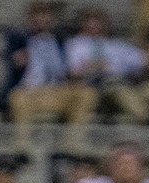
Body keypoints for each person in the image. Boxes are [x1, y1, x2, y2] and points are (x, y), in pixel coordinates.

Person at [65, 8, 149, 126]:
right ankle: (139, 120)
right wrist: (96, 66)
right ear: (82, 23)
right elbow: (73, 72)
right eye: (89, 19)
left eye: (98, 19)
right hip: (102, 86)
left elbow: (144, 61)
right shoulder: (75, 44)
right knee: (136, 107)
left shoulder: (117, 45)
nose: (94, 24)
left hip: (129, 82)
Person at [6, 2, 97, 149]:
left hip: (57, 90)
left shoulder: (61, 39)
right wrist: (25, 56)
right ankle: (22, 146)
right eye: (37, 16)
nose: (41, 20)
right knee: (17, 98)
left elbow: (68, 69)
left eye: (45, 16)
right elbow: (12, 61)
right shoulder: (18, 38)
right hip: (31, 91)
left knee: (86, 94)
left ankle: (71, 145)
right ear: (30, 18)